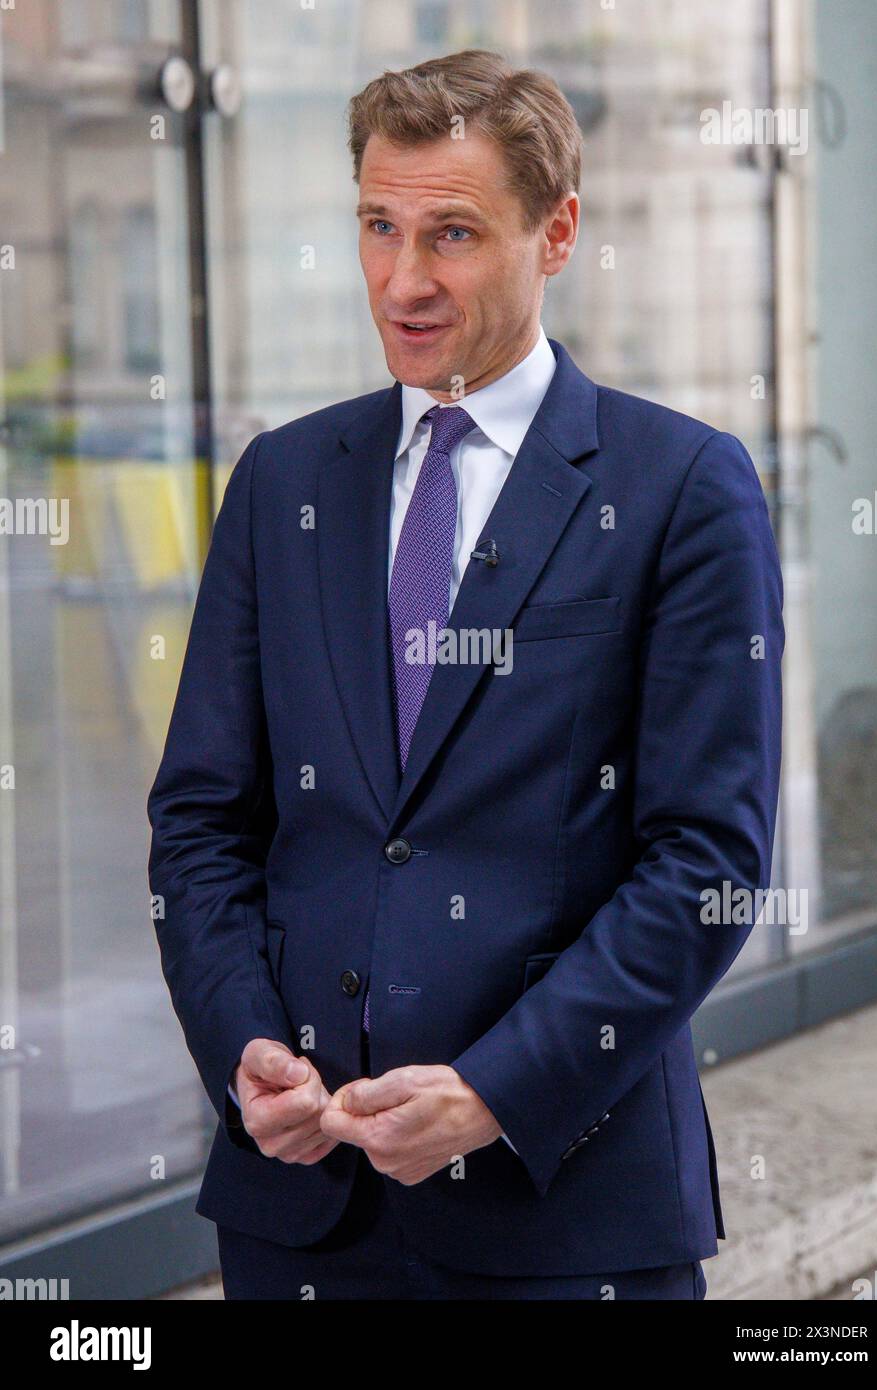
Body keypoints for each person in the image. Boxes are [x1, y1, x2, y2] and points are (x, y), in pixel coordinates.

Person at [148, 49, 783, 1301]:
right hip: (300, 1217)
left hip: (567, 1217)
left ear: (558, 235)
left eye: (451, 234)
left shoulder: (679, 491)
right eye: (378, 227)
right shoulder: (284, 485)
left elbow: (708, 860)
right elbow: (204, 823)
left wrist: (496, 1090)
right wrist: (244, 1047)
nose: (402, 280)